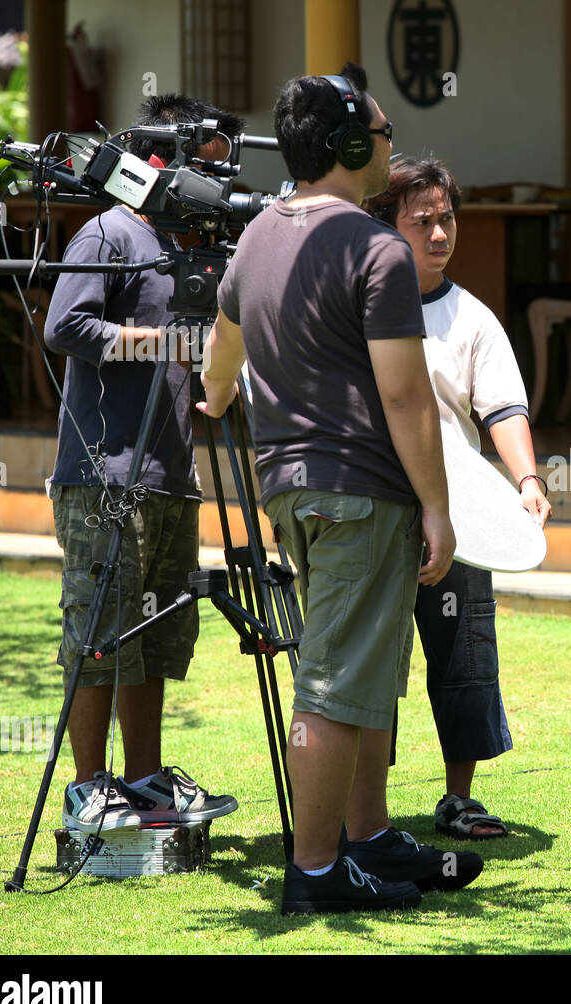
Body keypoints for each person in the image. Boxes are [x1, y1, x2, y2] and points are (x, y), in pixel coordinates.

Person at [200, 66, 482, 915]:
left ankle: (367, 838)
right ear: (353, 146)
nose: (390, 150)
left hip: (291, 490)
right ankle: (317, 869)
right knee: (333, 684)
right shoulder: (376, 250)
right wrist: (437, 505)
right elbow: (403, 397)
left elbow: (218, 373)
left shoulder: (254, 240)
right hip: (361, 491)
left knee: (360, 674)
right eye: (384, 136)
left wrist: (213, 397)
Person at [47, 93, 244, 835]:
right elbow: (66, 324)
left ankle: (146, 782)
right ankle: (88, 789)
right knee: (98, 633)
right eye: (208, 163)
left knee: (156, 635)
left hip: (169, 473)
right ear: (163, 157)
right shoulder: (110, 230)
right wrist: (156, 343)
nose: (217, 184)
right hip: (104, 472)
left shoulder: (191, 249)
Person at [368, 155, 551, 840]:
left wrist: (527, 482)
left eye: (447, 218)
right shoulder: (356, 311)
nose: (440, 233)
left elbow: (503, 407)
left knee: (464, 656)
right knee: (370, 664)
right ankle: (367, 808)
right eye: (423, 221)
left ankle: (458, 799)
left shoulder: (470, 316)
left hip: (462, 513)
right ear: (386, 227)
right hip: (378, 508)